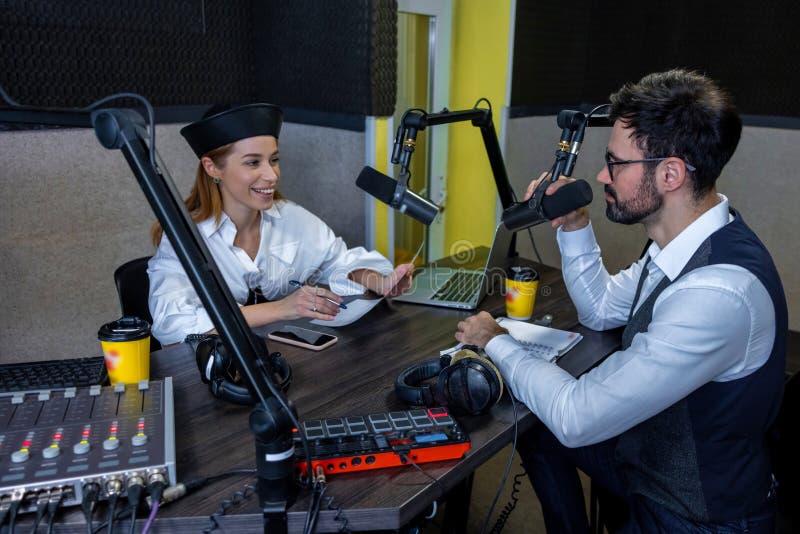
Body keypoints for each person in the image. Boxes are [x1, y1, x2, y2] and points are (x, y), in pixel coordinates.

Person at [455, 69, 786, 532]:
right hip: (648, 456)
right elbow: (601, 308)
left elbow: (577, 415)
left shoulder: (717, 294)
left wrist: (496, 341)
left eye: (616, 163)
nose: (600, 174)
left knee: (554, 415)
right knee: (537, 425)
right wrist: (573, 224)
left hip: (693, 513)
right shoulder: (681, 241)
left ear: (670, 174)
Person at [148, 103, 413, 345]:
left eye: (274, 160)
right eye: (253, 162)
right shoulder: (183, 239)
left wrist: (378, 280)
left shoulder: (291, 218)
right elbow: (172, 326)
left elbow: (340, 262)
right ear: (212, 168)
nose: (271, 175)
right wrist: (281, 308)